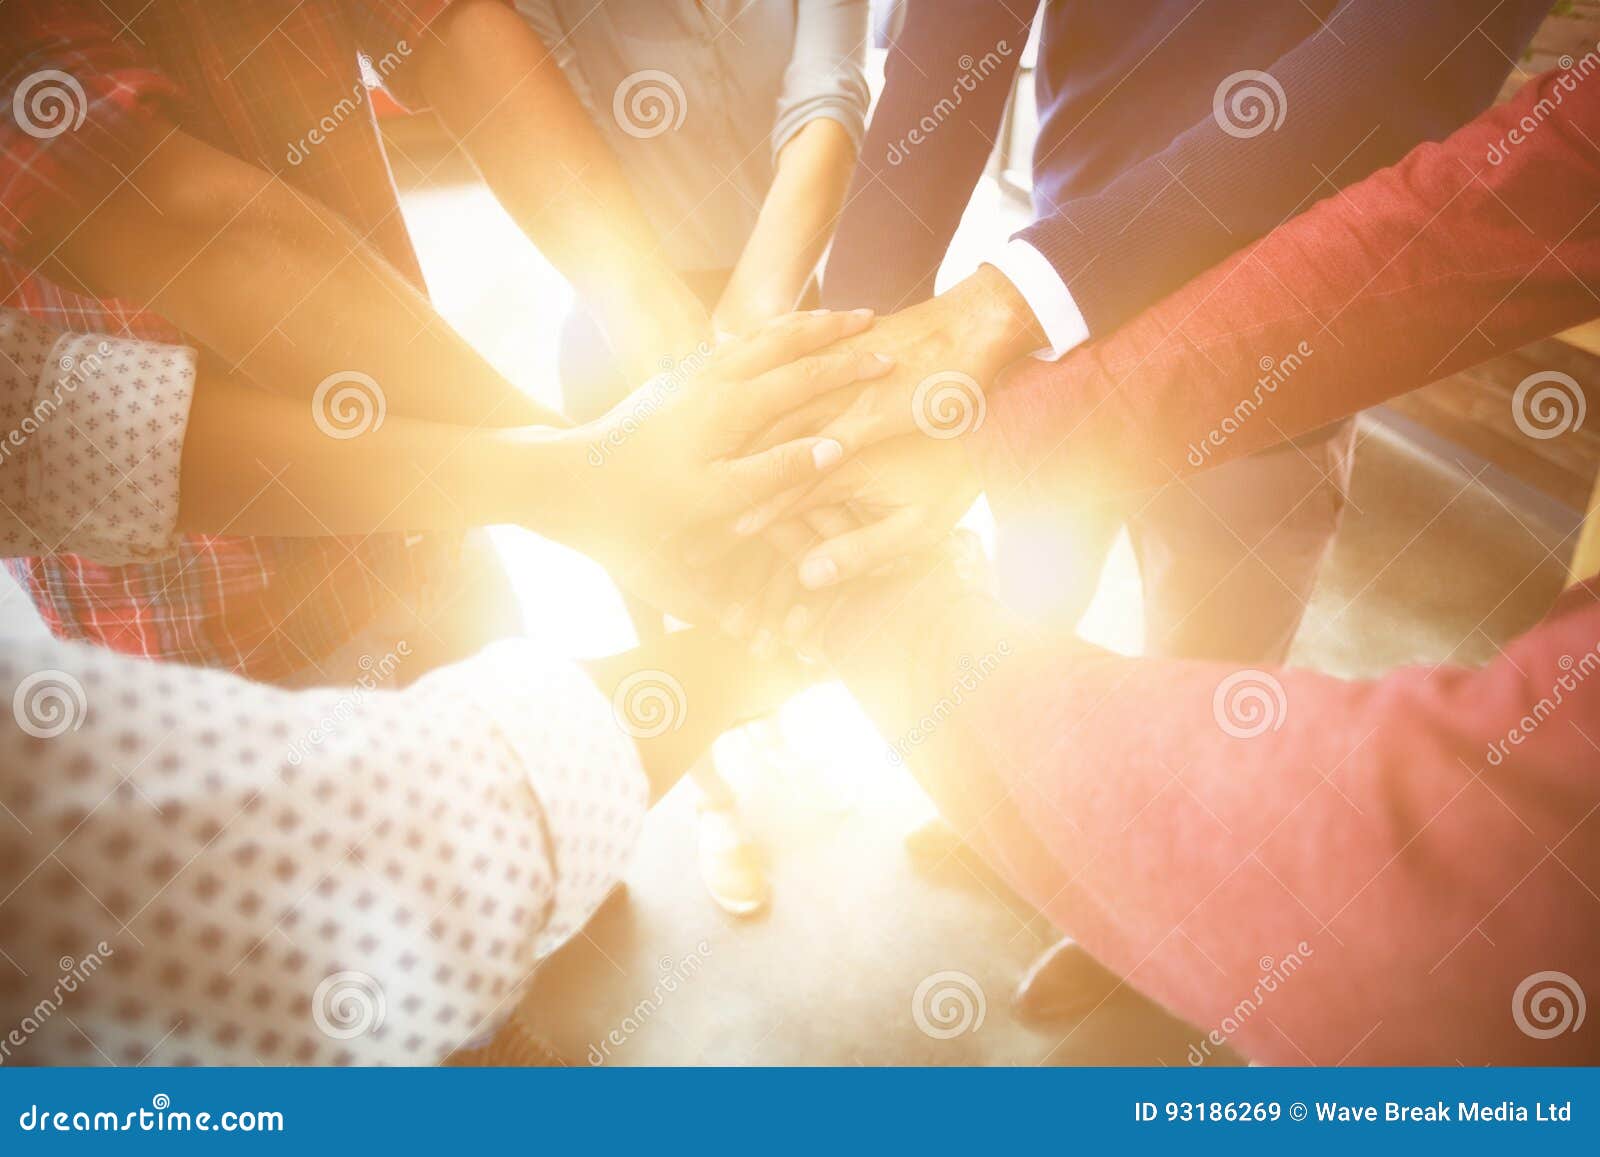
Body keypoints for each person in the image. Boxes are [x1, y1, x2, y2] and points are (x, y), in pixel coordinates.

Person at [728, 0, 1552, 1016]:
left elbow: (1404, 63)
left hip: (1287, 320)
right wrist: (871, 329)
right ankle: (1028, 815)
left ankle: (1141, 933)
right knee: (1037, 580)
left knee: (1208, 660)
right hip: (1061, 253)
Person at [0, 307, 864, 1065]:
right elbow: (385, 851)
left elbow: (76, 420)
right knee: (353, 961)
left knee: (465, 942)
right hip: (210, 632)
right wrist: (746, 661)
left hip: (428, 540)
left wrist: (573, 480)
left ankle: (498, 1017)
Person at [0, 0, 717, 687]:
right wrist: (588, 479)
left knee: (548, 775)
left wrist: (677, 353)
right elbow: (176, 224)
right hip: (225, 642)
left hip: (442, 529)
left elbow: (441, 24)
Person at [512, 0, 870, 915]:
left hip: (777, 299)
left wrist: (740, 354)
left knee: (784, 552)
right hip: (621, 321)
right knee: (659, 587)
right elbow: (548, 155)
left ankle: (768, 716)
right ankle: (713, 796)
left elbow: (828, 97)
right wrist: (695, 380)